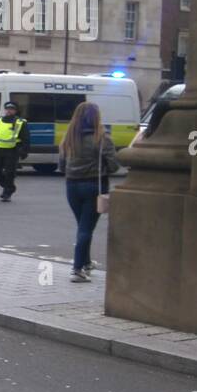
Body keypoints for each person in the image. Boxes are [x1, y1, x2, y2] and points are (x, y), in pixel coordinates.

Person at [58, 102, 120, 283]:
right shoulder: (102, 139)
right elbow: (114, 166)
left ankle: (85, 263)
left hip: (72, 186)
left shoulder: (68, 138)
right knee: (86, 228)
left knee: (82, 226)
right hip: (94, 185)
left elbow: (62, 166)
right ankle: (77, 269)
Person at [0, 100, 30, 202]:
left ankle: (7, 192)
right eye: (7, 109)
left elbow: (26, 138)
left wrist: (24, 151)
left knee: (9, 173)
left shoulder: (20, 122)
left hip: (12, 151)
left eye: (11, 109)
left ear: (15, 111)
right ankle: (9, 187)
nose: (9, 111)